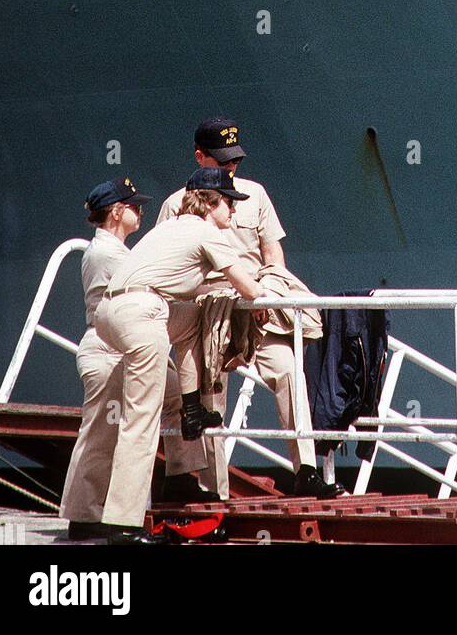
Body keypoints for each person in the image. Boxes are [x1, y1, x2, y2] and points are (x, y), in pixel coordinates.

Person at [159, 118, 343, 499]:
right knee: (211, 397)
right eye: (222, 161)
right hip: (208, 312)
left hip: (256, 307)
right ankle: (215, 491)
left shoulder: (254, 195)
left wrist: (269, 293)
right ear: (199, 157)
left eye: (234, 162)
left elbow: (273, 253)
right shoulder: (175, 205)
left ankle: (306, 471)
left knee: (289, 373)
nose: (231, 168)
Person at [94, 168, 268, 543]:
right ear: (209, 203)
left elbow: (192, 282)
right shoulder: (207, 231)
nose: (234, 212)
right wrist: (267, 300)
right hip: (142, 313)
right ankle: (122, 525)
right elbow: (245, 283)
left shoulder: (170, 228)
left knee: (191, 319)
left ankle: (191, 407)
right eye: (229, 203)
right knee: (141, 421)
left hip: (116, 311)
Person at [58, 176, 208, 540]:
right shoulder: (111, 253)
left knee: (170, 398)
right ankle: (101, 519)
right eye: (133, 205)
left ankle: (177, 475)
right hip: (108, 352)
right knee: (104, 433)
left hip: (114, 349)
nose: (140, 210)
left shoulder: (108, 250)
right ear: (115, 212)